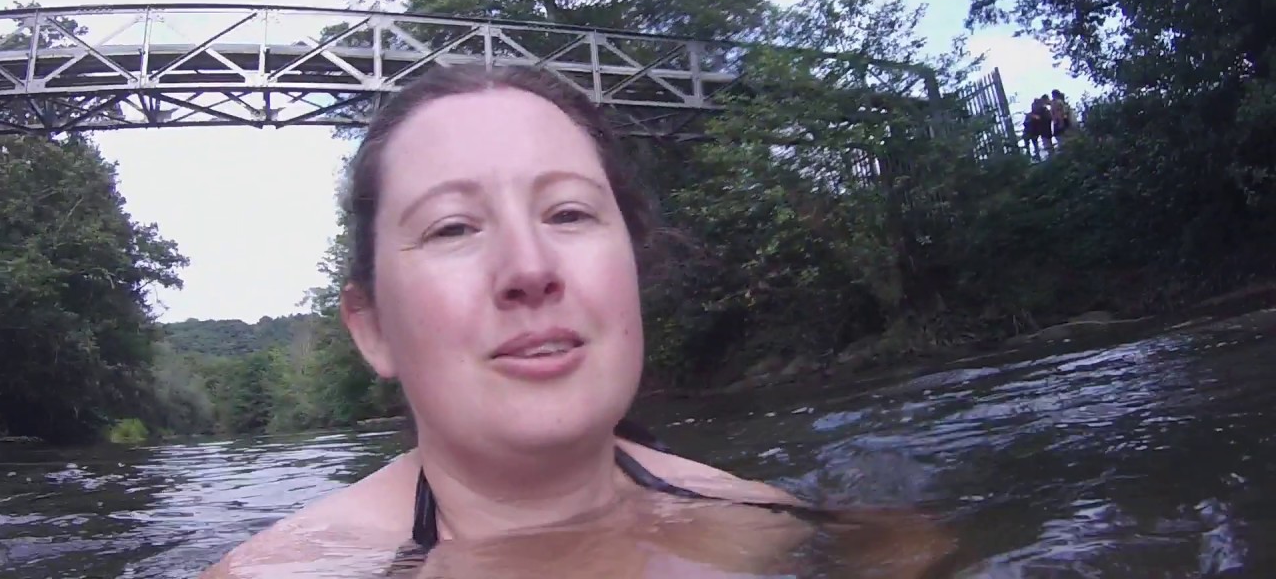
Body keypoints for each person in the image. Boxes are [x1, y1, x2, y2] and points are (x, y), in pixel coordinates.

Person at [200, 65, 954, 578]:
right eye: (454, 228)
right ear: (372, 328)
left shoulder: (776, 527)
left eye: (568, 213)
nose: (529, 268)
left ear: (633, 271)